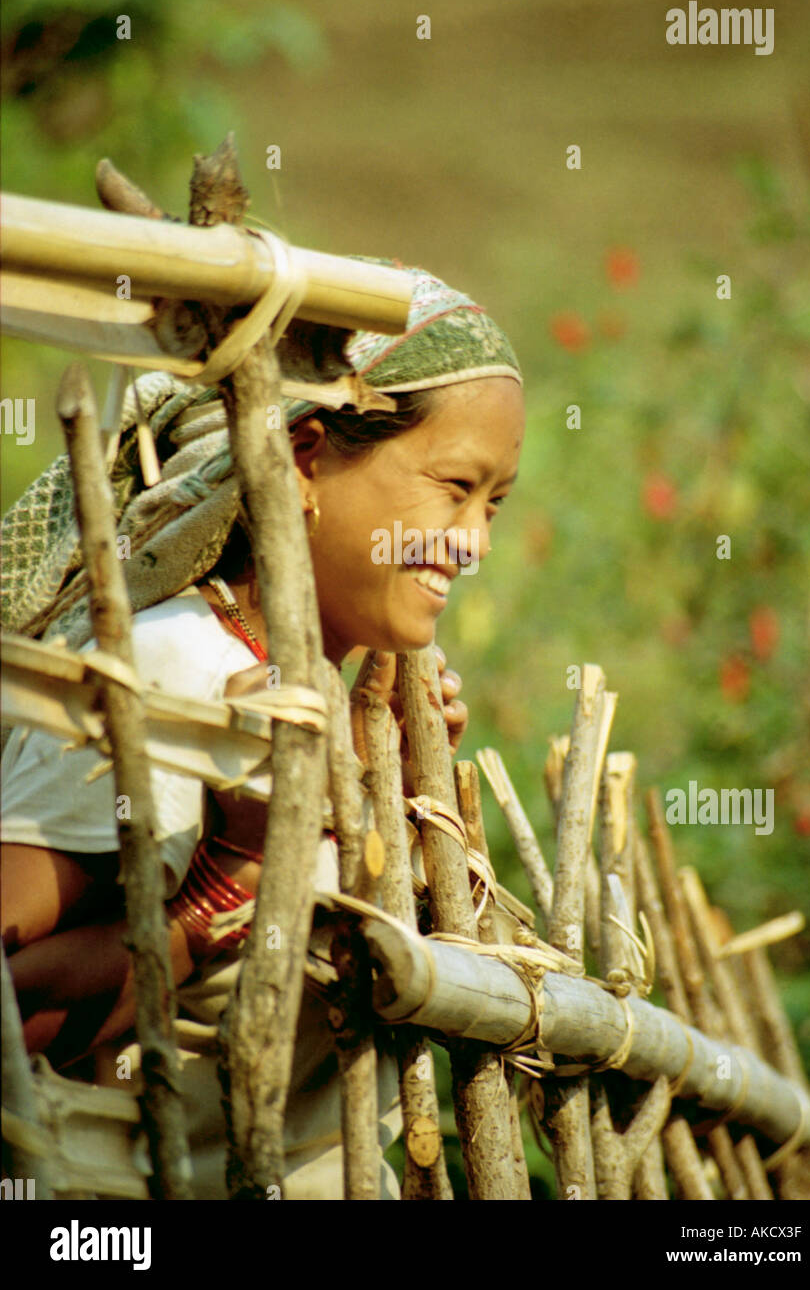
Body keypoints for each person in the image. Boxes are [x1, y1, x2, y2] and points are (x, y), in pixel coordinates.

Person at [0, 262, 525, 1198]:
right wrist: (215, 894)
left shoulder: (354, 693)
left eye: (494, 504)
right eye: (453, 487)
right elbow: (13, 1005)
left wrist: (409, 807)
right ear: (306, 459)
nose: (474, 540)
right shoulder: (174, 674)